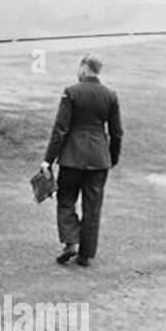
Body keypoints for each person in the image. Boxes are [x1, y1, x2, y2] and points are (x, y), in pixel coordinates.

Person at [41, 54, 122, 267]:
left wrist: (48, 160)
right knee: (92, 206)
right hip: (99, 159)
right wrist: (111, 158)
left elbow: (60, 129)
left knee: (66, 199)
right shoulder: (110, 95)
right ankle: (86, 254)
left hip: (71, 157)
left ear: (85, 69)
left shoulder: (71, 92)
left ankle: (70, 242)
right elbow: (117, 132)